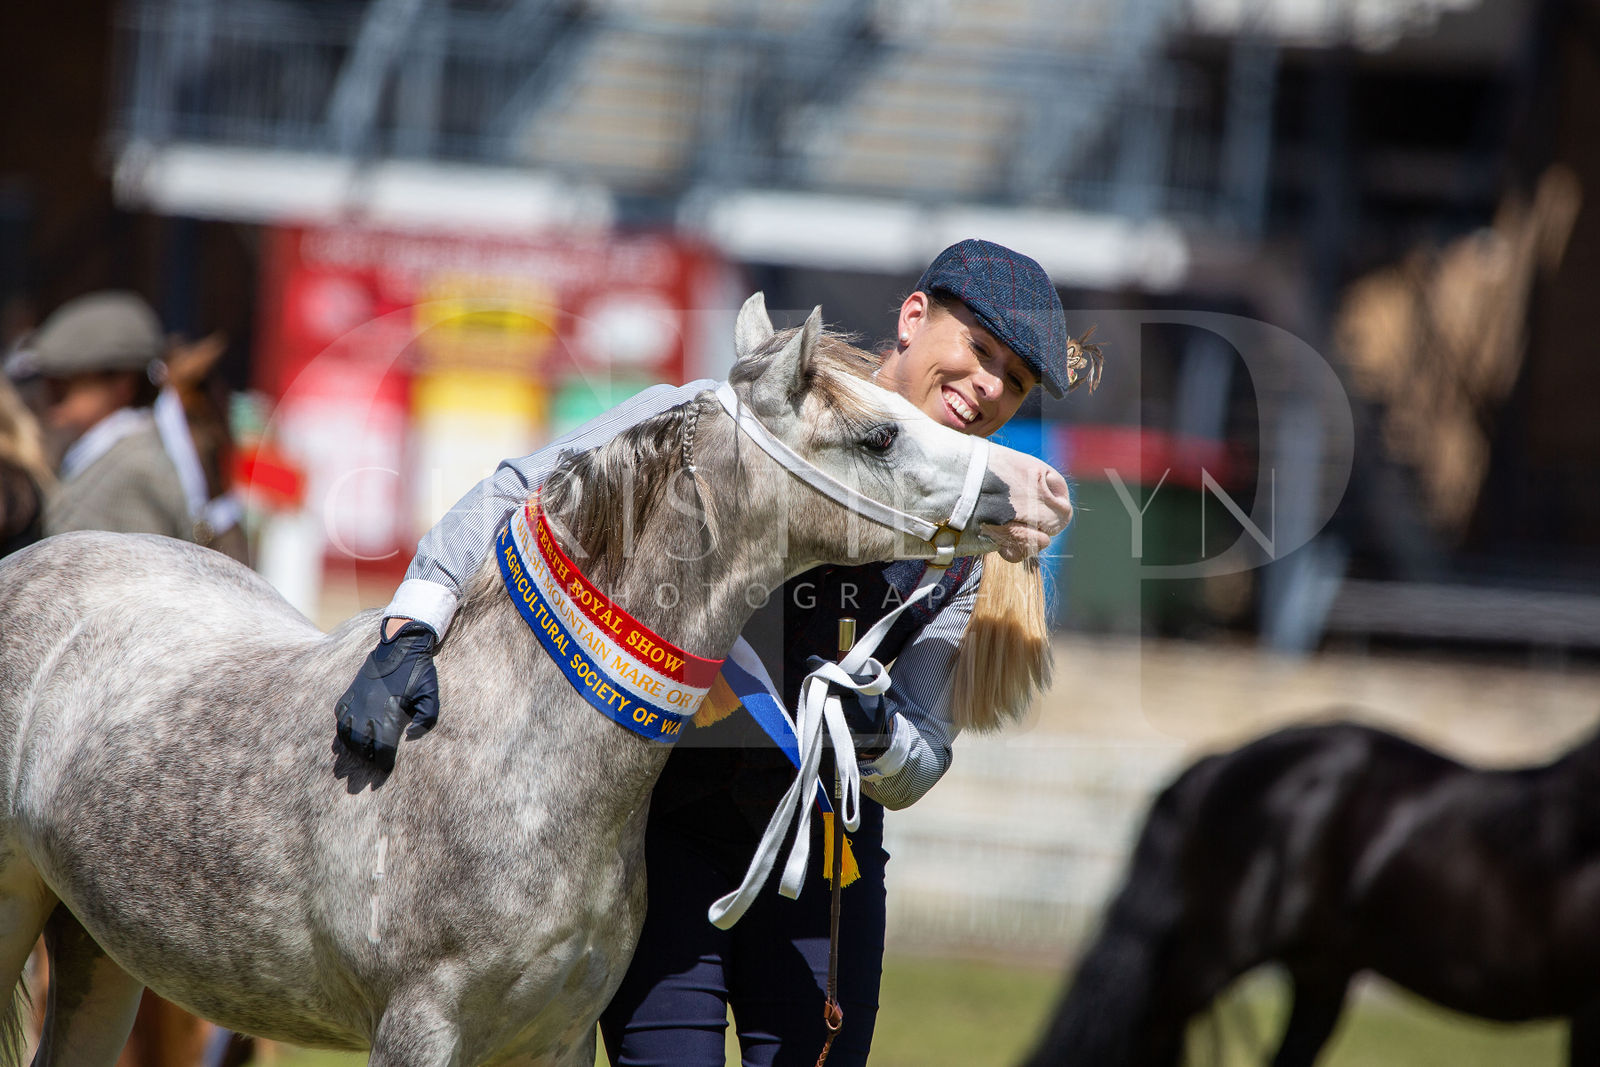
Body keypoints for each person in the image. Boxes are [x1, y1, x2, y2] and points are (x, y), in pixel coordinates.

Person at [334, 238, 1103, 1066]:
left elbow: (923, 758)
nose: (989, 385)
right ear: (915, 318)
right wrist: (410, 624)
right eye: (981, 350)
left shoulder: (962, 551)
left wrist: (877, 735)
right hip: (668, 845)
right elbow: (517, 488)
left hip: (828, 879)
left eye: (1014, 382)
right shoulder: (738, 422)